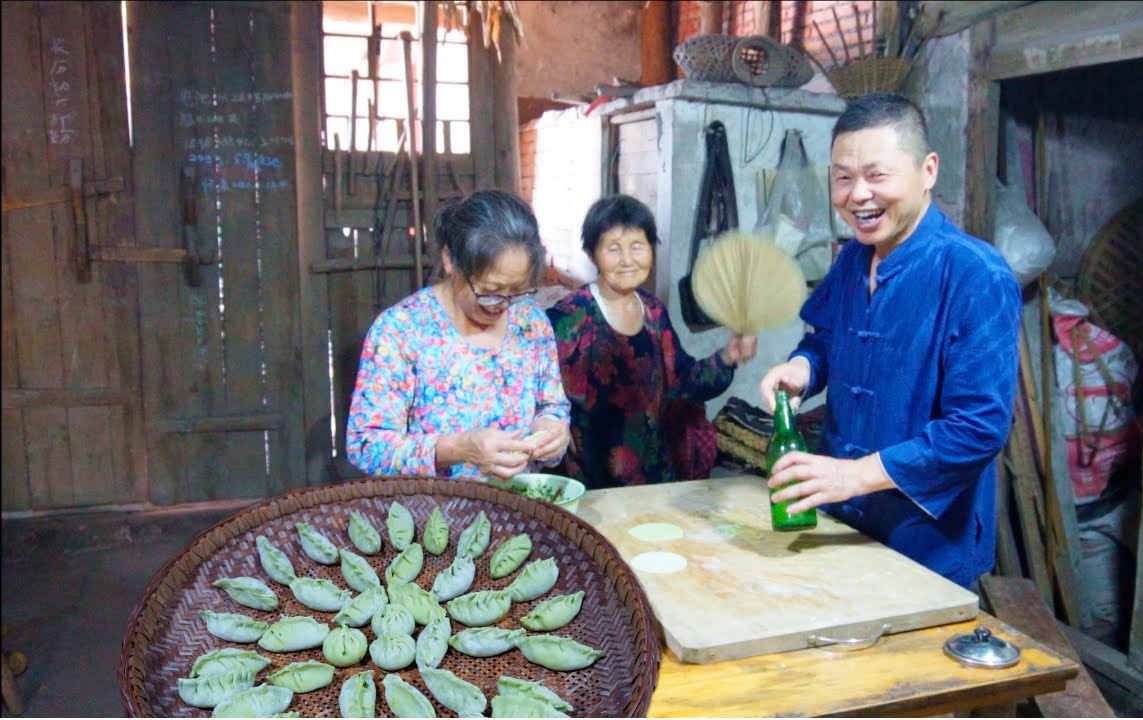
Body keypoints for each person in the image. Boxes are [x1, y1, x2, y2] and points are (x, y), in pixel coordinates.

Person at [758, 93, 1021, 589]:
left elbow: (979, 428)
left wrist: (852, 476)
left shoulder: (975, 275)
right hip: (843, 519)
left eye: (878, 176)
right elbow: (827, 338)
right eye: (842, 177)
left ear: (928, 170)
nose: (858, 195)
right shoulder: (853, 258)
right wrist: (803, 369)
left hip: (927, 540)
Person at [346, 189, 571, 480]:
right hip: (433, 518)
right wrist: (458, 448)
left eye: (516, 291)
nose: (502, 305)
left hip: (517, 509)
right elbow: (365, 445)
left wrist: (551, 429)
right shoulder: (401, 330)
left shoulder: (530, 322)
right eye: (489, 291)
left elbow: (552, 404)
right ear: (451, 260)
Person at [547, 194, 758, 489]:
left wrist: (726, 357)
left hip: (652, 477)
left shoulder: (654, 312)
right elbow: (538, 393)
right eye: (613, 249)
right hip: (587, 480)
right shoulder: (569, 317)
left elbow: (684, 382)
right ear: (592, 254)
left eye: (637, 246)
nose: (627, 260)